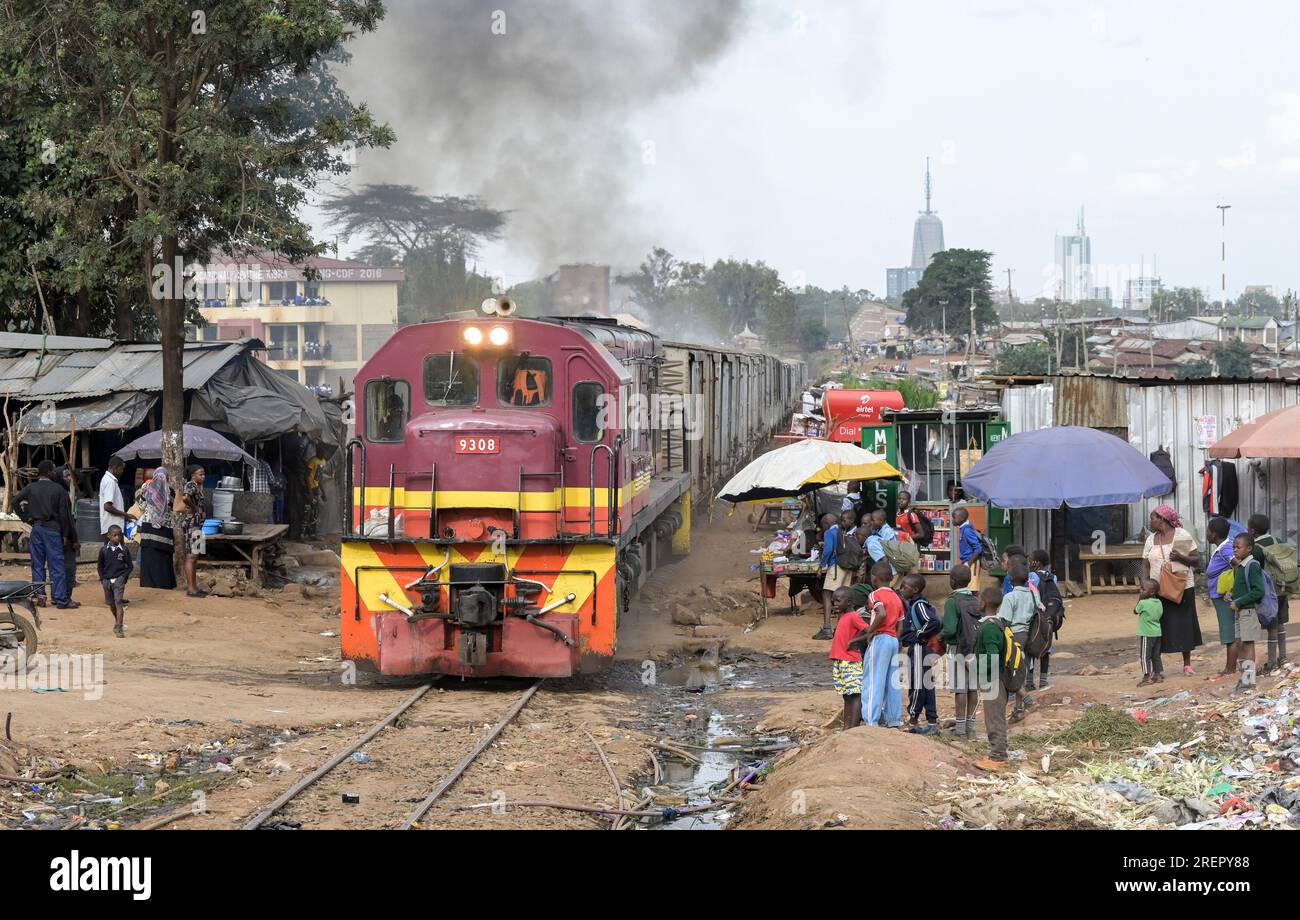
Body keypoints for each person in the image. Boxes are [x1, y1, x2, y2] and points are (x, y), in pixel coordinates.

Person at [1141, 504, 1202, 676]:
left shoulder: (1181, 535)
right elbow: (1145, 564)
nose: (1151, 521)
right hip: (1157, 589)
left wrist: (1180, 557)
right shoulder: (1150, 539)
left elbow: (1196, 560)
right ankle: (1157, 667)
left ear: (1162, 519)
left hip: (1181, 587)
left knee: (1184, 625)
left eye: (1153, 517)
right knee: (1158, 626)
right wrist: (1144, 581)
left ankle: (1187, 664)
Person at [13, 460, 79, 609]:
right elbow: (64, 516)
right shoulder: (59, 490)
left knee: (37, 565)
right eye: (54, 470)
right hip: (53, 530)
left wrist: (26, 517)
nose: (55, 472)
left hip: (36, 529)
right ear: (49, 472)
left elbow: (15, 502)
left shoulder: (31, 488)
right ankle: (61, 599)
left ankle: (40, 598)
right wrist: (66, 535)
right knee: (57, 566)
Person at [853, 562, 905, 728]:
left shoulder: (874, 595)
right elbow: (900, 625)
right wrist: (895, 640)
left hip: (881, 639)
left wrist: (870, 631)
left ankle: (870, 720)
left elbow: (881, 613)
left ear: (873, 578)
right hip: (893, 640)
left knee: (873, 680)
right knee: (892, 682)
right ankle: (894, 720)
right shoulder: (897, 598)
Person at [941, 564, 982, 739]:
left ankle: (959, 730)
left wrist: (939, 636)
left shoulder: (952, 602)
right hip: (974, 650)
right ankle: (971, 729)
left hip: (958, 650)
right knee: (973, 689)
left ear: (952, 581)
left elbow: (949, 630)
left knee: (960, 690)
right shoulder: (976, 600)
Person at [973, 586, 1011, 772]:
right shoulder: (996, 623)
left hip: (993, 679)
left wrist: (974, 666)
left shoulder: (989, 628)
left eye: (980, 599)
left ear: (984, 602)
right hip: (994, 678)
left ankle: (998, 756)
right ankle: (997, 753)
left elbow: (992, 656)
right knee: (993, 717)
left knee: (994, 718)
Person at [1247, 514, 1290, 674]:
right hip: (1283, 588)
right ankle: (1283, 657)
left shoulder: (1256, 548)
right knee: (1281, 623)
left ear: (1252, 530)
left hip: (1268, 593)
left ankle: (1271, 662)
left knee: (1271, 626)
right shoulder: (1277, 540)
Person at [898, 572, 940, 731]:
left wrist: (918, 635)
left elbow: (933, 621)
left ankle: (913, 717)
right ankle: (931, 720)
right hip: (921, 648)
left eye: (905, 587)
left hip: (918, 648)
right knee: (926, 683)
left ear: (915, 589)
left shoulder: (919, 605)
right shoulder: (914, 604)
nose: (902, 589)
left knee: (917, 683)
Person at [997, 561, 1037, 723]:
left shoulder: (1010, 597)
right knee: (1021, 671)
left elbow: (1004, 620)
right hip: (1029, 635)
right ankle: (1017, 710)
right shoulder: (1032, 595)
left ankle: (1028, 701)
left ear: (1010, 579)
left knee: (1009, 673)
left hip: (1014, 636)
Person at [1228, 532, 1266, 691]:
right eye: (1234, 547)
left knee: (1248, 645)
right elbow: (1243, 588)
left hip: (1248, 611)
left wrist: (1239, 601)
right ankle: (1245, 678)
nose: (1235, 550)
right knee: (1240, 643)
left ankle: (1249, 681)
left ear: (1249, 548)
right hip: (1240, 611)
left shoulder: (1253, 565)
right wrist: (1232, 595)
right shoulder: (1241, 566)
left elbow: (1259, 591)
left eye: (1238, 547)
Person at [828, 586, 868, 730]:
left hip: (850, 660)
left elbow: (869, 631)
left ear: (850, 602)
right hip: (841, 660)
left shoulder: (853, 616)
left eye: (838, 601)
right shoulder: (844, 616)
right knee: (846, 694)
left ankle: (854, 726)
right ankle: (847, 726)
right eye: (834, 601)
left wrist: (854, 641)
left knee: (855, 694)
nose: (835, 604)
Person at [1205, 517, 1239, 680]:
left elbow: (1237, 564)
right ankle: (1231, 666)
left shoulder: (1225, 549)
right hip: (1220, 596)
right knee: (1230, 631)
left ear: (1213, 534)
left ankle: (1230, 668)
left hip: (1224, 597)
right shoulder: (1224, 546)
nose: (1206, 534)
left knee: (1228, 633)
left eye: (1207, 531)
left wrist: (1233, 590)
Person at [137, 468, 177, 590]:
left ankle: (148, 582)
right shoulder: (170, 491)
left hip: (149, 526)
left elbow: (141, 506)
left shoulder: (146, 489)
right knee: (163, 556)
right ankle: (164, 582)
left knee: (149, 556)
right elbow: (174, 507)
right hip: (165, 528)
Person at [1028, 549, 1060, 689]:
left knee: (1030, 646)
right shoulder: (1053, 577)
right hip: (1048, 617)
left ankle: (1029, 681)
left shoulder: (1031, 576)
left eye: (1031, 560)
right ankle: (1043, 680)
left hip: (1034, 617)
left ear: (1036, 563)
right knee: (1046, 648)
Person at [179, 465, 209, 598]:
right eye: (200, 474)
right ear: (193, 475)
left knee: (195, 555)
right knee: (192, 556)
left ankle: (194, 587)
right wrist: (194, 508)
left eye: (203, 474)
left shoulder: (196, 486)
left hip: (197, 525)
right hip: (193, 525)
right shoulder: (191, 485)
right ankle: (191, 588)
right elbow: (185, 498)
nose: (203, 476)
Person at [98, 524, 132, 638]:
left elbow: (129, 567)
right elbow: (100, 566)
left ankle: (119, 626)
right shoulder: (103, 550)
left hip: (118, 580)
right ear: (109, 536)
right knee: (111, 604)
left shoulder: (124, 550)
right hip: (107, 581)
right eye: (114, 535)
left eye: (119, 535)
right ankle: (117, 621)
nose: (117, 538)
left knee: (118, 602)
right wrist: (102, 579)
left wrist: (123, 577)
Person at [53, 465, 80, 591]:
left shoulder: (58, 492)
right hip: (64, 536)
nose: (70, 478)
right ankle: (65, 596)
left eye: (70, 475)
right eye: (66, 476)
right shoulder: (62, 494)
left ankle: (57, 595)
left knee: (57, 567)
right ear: (59, 478)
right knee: (68, 567)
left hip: (56, 534)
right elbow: (67, 519)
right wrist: (73, 538)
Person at [1134, 577, 1164, 687]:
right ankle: (1158, 675)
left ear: (1151, 592)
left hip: (1147, 633)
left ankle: (1146, 677)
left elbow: (1135, 611)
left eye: (1143, 589)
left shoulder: (1143, 603)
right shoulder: (1159, 602)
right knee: (1156, 655)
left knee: (1144, 656)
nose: (1141, 591)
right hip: (1157, 632)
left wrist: (1140, 598)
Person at [99, 455, 135, 537]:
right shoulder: (110, 482)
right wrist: (125, 514)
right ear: (115, 467)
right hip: (113, 530)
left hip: (112, 528)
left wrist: (124, 517)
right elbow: (107, 507)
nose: (122, 471)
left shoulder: (108, 480)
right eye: (121, 469)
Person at [954, 506, 984, 587]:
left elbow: (978, 548)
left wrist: (969, 563)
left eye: (954, 518)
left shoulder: (967, 530)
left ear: (962, 518)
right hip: (968, 562)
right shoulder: (963, 528)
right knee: (969, 586)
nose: (953, 520)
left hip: (972, 562)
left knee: (972, 588)